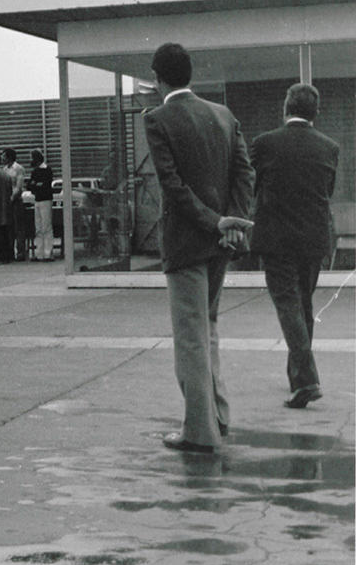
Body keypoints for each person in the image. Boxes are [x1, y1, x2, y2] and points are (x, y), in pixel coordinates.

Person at [144, 42, 254, 454]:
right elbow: (244, 172)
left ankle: (199, 432)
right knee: (208, 329)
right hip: (220, 243)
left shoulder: (157, 119)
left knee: (191, 337)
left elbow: (172, 186)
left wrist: (213, 221)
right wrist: (232, 221)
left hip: (186, 242)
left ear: (158, 78)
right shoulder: (224, 115)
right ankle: (218, 417)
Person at [249, 83, 340, 410]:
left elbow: (253, 185)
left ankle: (306, 380)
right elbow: (327, 190)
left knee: (288, 305)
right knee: (303, 305)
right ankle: (298, 378)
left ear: (285, 108)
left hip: (276, 239)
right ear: (316, 112)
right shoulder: (330, 147)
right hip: (314, 240)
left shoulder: (264, 143)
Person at [29, 150, 55, 261]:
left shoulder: (46, 170)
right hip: (40, 199)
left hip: (44, 199)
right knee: (39, 227)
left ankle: (47, 252)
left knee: (46, 226)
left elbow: (40, 185)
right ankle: (41, 252)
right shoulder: (38, 170)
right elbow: (32, 185)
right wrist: (37, 185)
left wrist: (35, 185)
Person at [2, 147, 27, 261]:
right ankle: (9, 251)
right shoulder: (4, 169)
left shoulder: (18, 168)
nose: (2, 158)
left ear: (9, 157)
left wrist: (12, 197)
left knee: (18, 227)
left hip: (16, 200)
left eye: (4, 156)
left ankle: (21, 252)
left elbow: (19, 186)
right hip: (6, 200)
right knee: (9, 227)